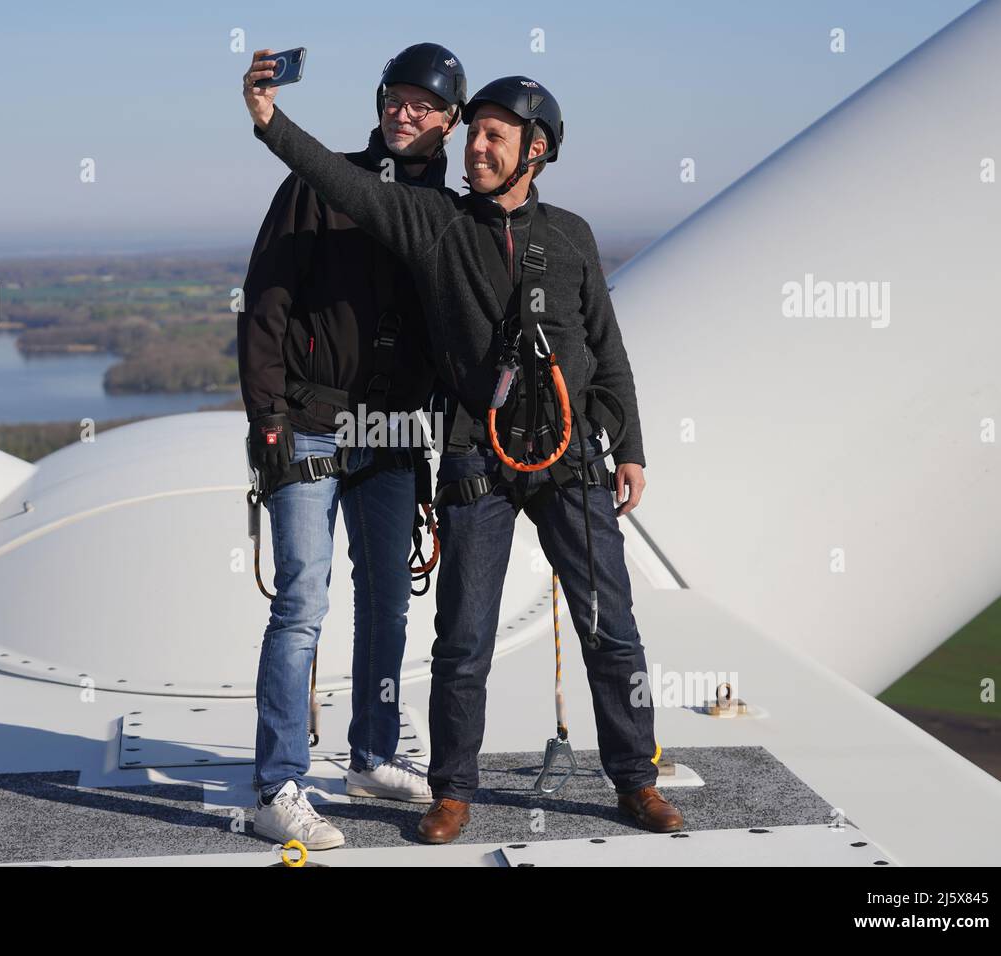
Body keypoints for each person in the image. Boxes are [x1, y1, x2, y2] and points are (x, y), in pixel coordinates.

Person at [242, 53, 685, 844]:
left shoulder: (571, 236)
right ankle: (449, 791)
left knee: (609, 626)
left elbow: (607, 350)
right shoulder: (438, 224)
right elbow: (340, 185)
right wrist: (271, 121)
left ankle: (636, 780)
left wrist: (633, 448)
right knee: (460, 636)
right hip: (467, 458)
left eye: (493, 135)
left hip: (568, 458)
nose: (479, 147)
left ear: (535, 149)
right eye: (474, 132)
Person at [240, 43, 468, 851]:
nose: (404, 112)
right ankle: (277, 785)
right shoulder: (317, 183)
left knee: (387, 602)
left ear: (449, 121)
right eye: (393, 98)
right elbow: (263, 305)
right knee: (302, 600)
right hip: (308, 419)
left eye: (422, 103)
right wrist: (265, 421)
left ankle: (371, 754)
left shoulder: (453, 215)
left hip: (397, 433)